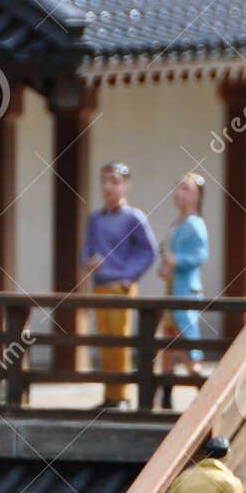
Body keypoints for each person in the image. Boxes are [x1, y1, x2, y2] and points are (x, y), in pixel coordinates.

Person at [80, 162, 158, 409]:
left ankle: (122, 394)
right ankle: (109, 392)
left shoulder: (133, 217)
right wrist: (88, 260)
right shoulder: (95, 219)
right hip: (100, 284)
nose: (108, 187)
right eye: (104, 181)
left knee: (120, 339)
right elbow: (86, 249)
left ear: (126, 186)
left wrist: (128, 275)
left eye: (114, 181)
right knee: (105, 340)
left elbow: (148, 251)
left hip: (120, 286)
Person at [158, 172, 210, 410]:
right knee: (168, 342)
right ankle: (166, 394)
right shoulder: (176, 225)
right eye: (178, 187)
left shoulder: (194, 224)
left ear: (198, 196)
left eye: (186, 188)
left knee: (188, 341)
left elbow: (200, 255)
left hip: (186, 291)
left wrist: (176, 260)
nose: (180, 192)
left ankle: (203, 393)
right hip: (172, 291)